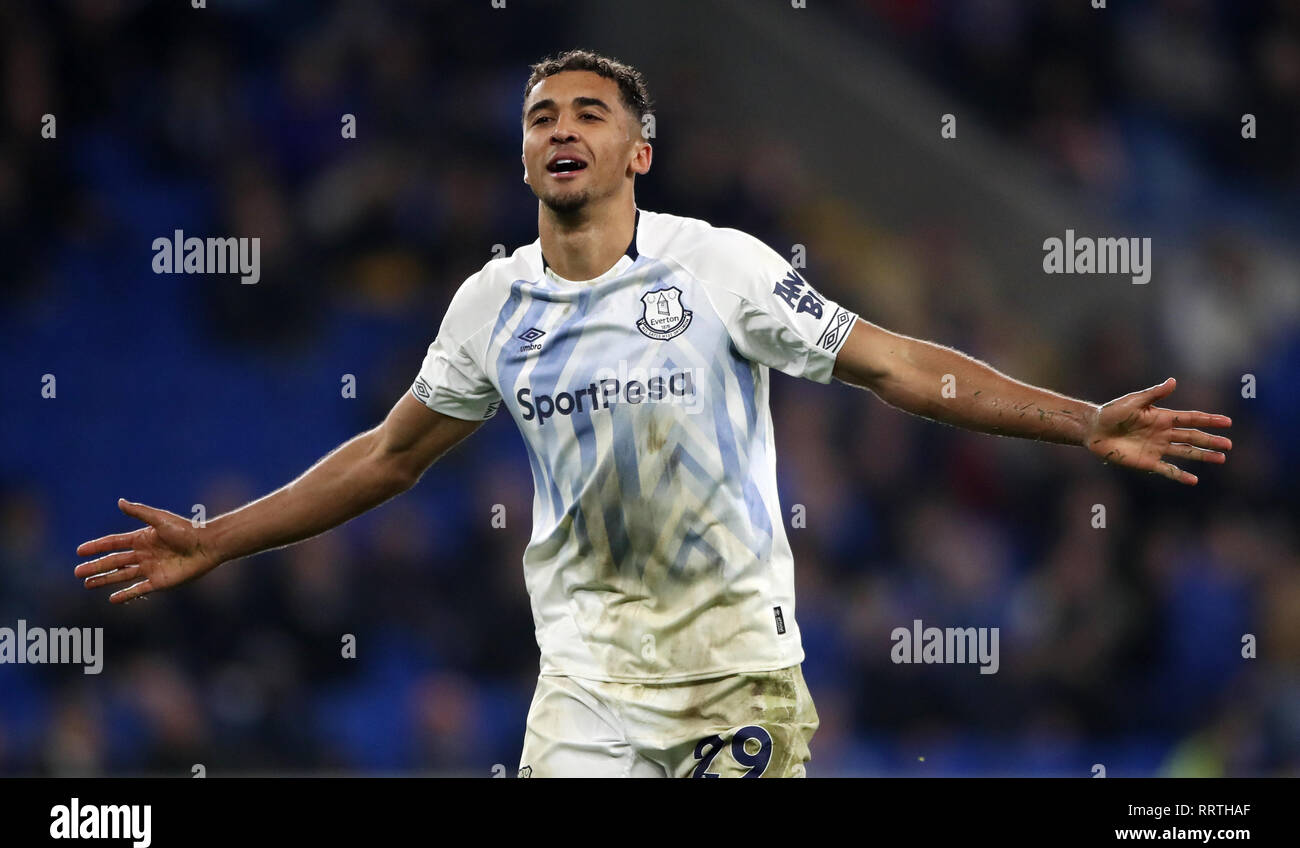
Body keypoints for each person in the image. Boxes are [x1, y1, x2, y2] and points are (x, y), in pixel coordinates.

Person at [75, 49, 1233, 777]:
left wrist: (1078, 421)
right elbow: (386, 459)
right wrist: (218, 537)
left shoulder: (719, 267)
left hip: (735, 677)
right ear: (524, 152)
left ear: (639, 149)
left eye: (588, 111)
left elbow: (893, 365)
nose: (561, 128)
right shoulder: (491, 304)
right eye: (540, 115)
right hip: (583, 693)